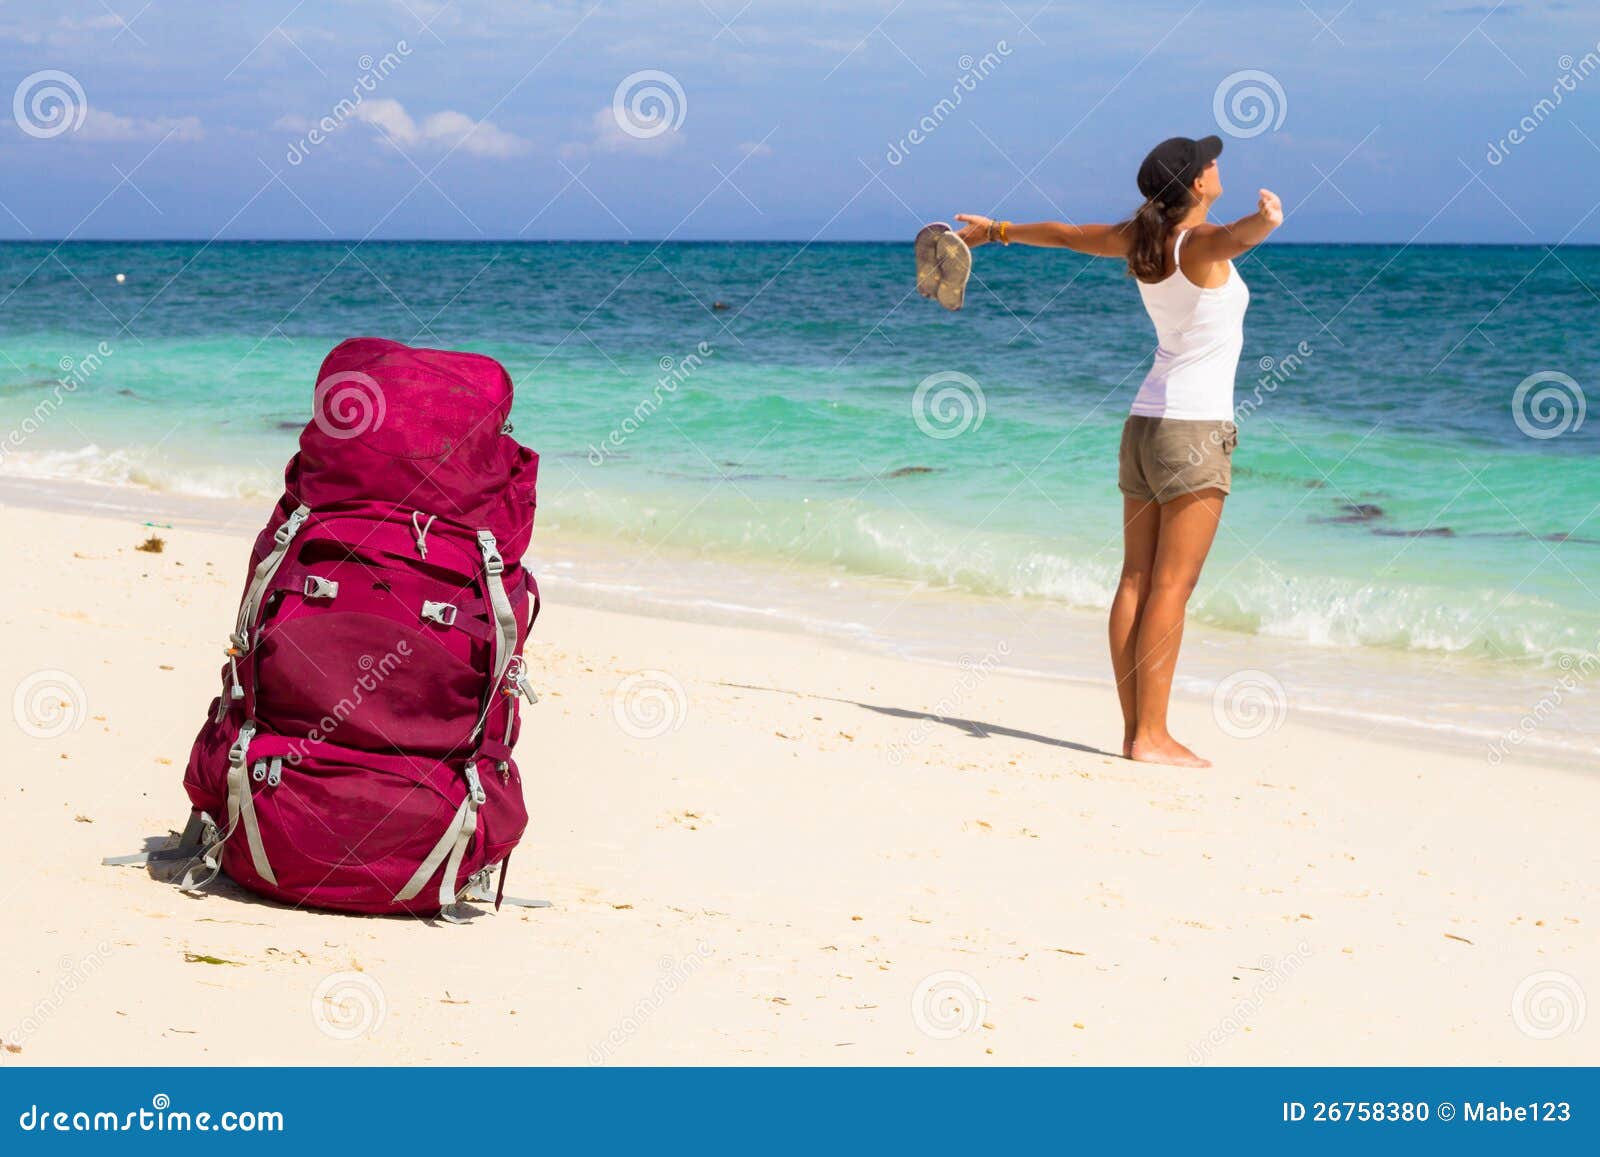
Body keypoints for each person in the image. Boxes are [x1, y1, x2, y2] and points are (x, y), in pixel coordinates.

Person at [954, 135, 1283, 767]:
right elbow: (1235, 238)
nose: (1218, 166)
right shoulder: (1197, 243)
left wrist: (998, 230)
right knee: (1171, 586)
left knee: (1137, 578)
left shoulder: (1142, 240)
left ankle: (1138, 730)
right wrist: (1265, 221)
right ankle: (1151, 736)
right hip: (1192, 431)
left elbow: (1066, 235)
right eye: (1208, 164)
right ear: (1193, 187)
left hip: (1144, 426)